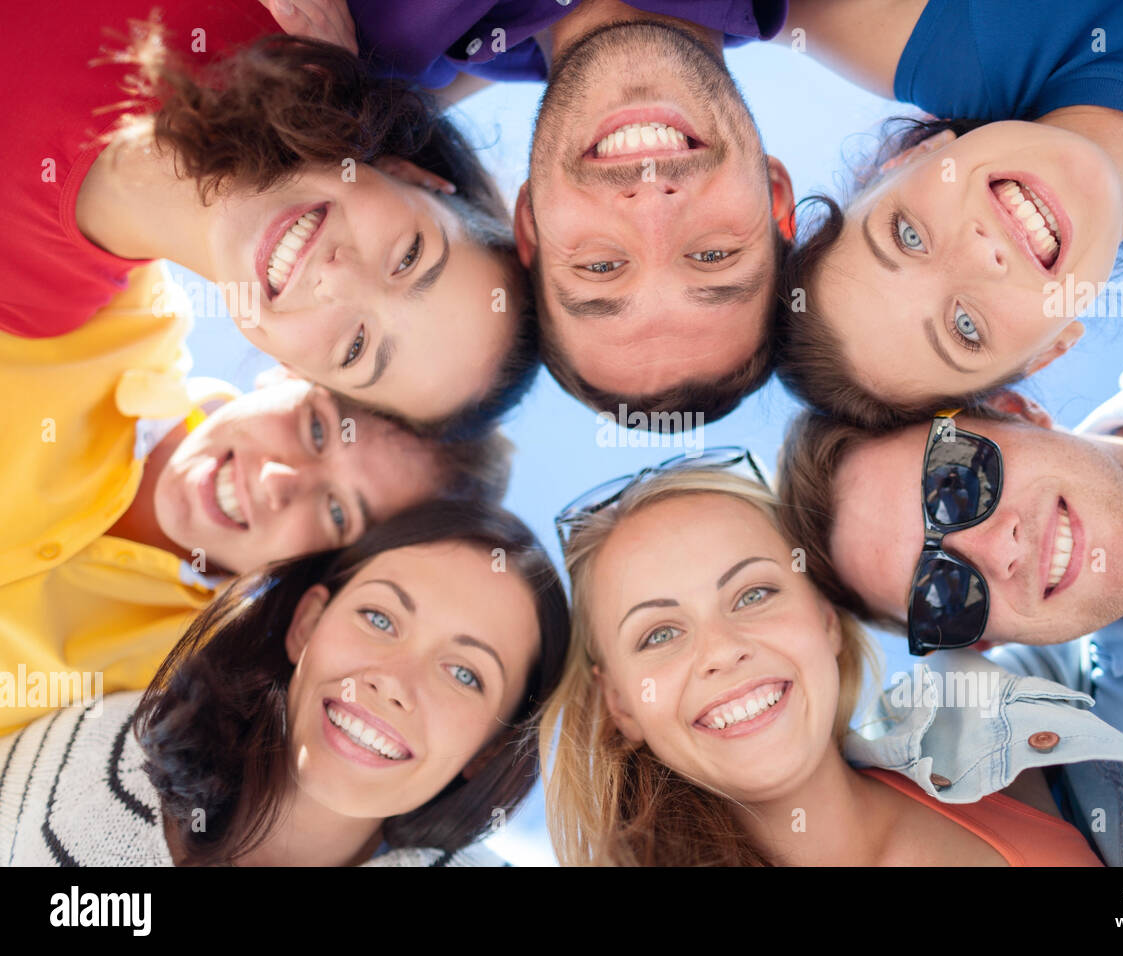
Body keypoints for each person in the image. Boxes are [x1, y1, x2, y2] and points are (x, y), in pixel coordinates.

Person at [778, 185, 1123, 861]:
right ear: (980, 643)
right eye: (944, 593)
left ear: (1015, 407)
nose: (997, 547)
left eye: (956, 484)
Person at [538, 455, 1123, 865]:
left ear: (826, 621)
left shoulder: (988, 733)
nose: (723, 650)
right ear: (621, 705)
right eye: (659, 634)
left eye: (754, 593)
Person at [1, 263, 511, 734]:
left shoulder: (174, 692)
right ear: (287, 371)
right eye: (315, 428)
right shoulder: (115, 298)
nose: (275, 480)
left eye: (337, 512)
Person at [2, 0, 535, 432]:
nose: (337, 276)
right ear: (415, 176)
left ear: (292, 372)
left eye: (355, 348)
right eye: (409, 257)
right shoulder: (286, 11)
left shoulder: (35, 303)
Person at [773, 0, 1123, 424]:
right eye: (964, 326)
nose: (981, 252)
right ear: (1052, 350)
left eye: (907, 236)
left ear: (910, 159)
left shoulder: (967, 24)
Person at [0, 500, 571, 866]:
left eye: (465, 674)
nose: (393, 683)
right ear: (307, 625)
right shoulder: (101, 752)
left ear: (492, 747)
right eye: (378, 618)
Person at [331, 0, 797, 423]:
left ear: (531, 224)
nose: (652, 204)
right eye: (714, 256)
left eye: (602, 266)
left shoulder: (360, 47)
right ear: (775, 199)